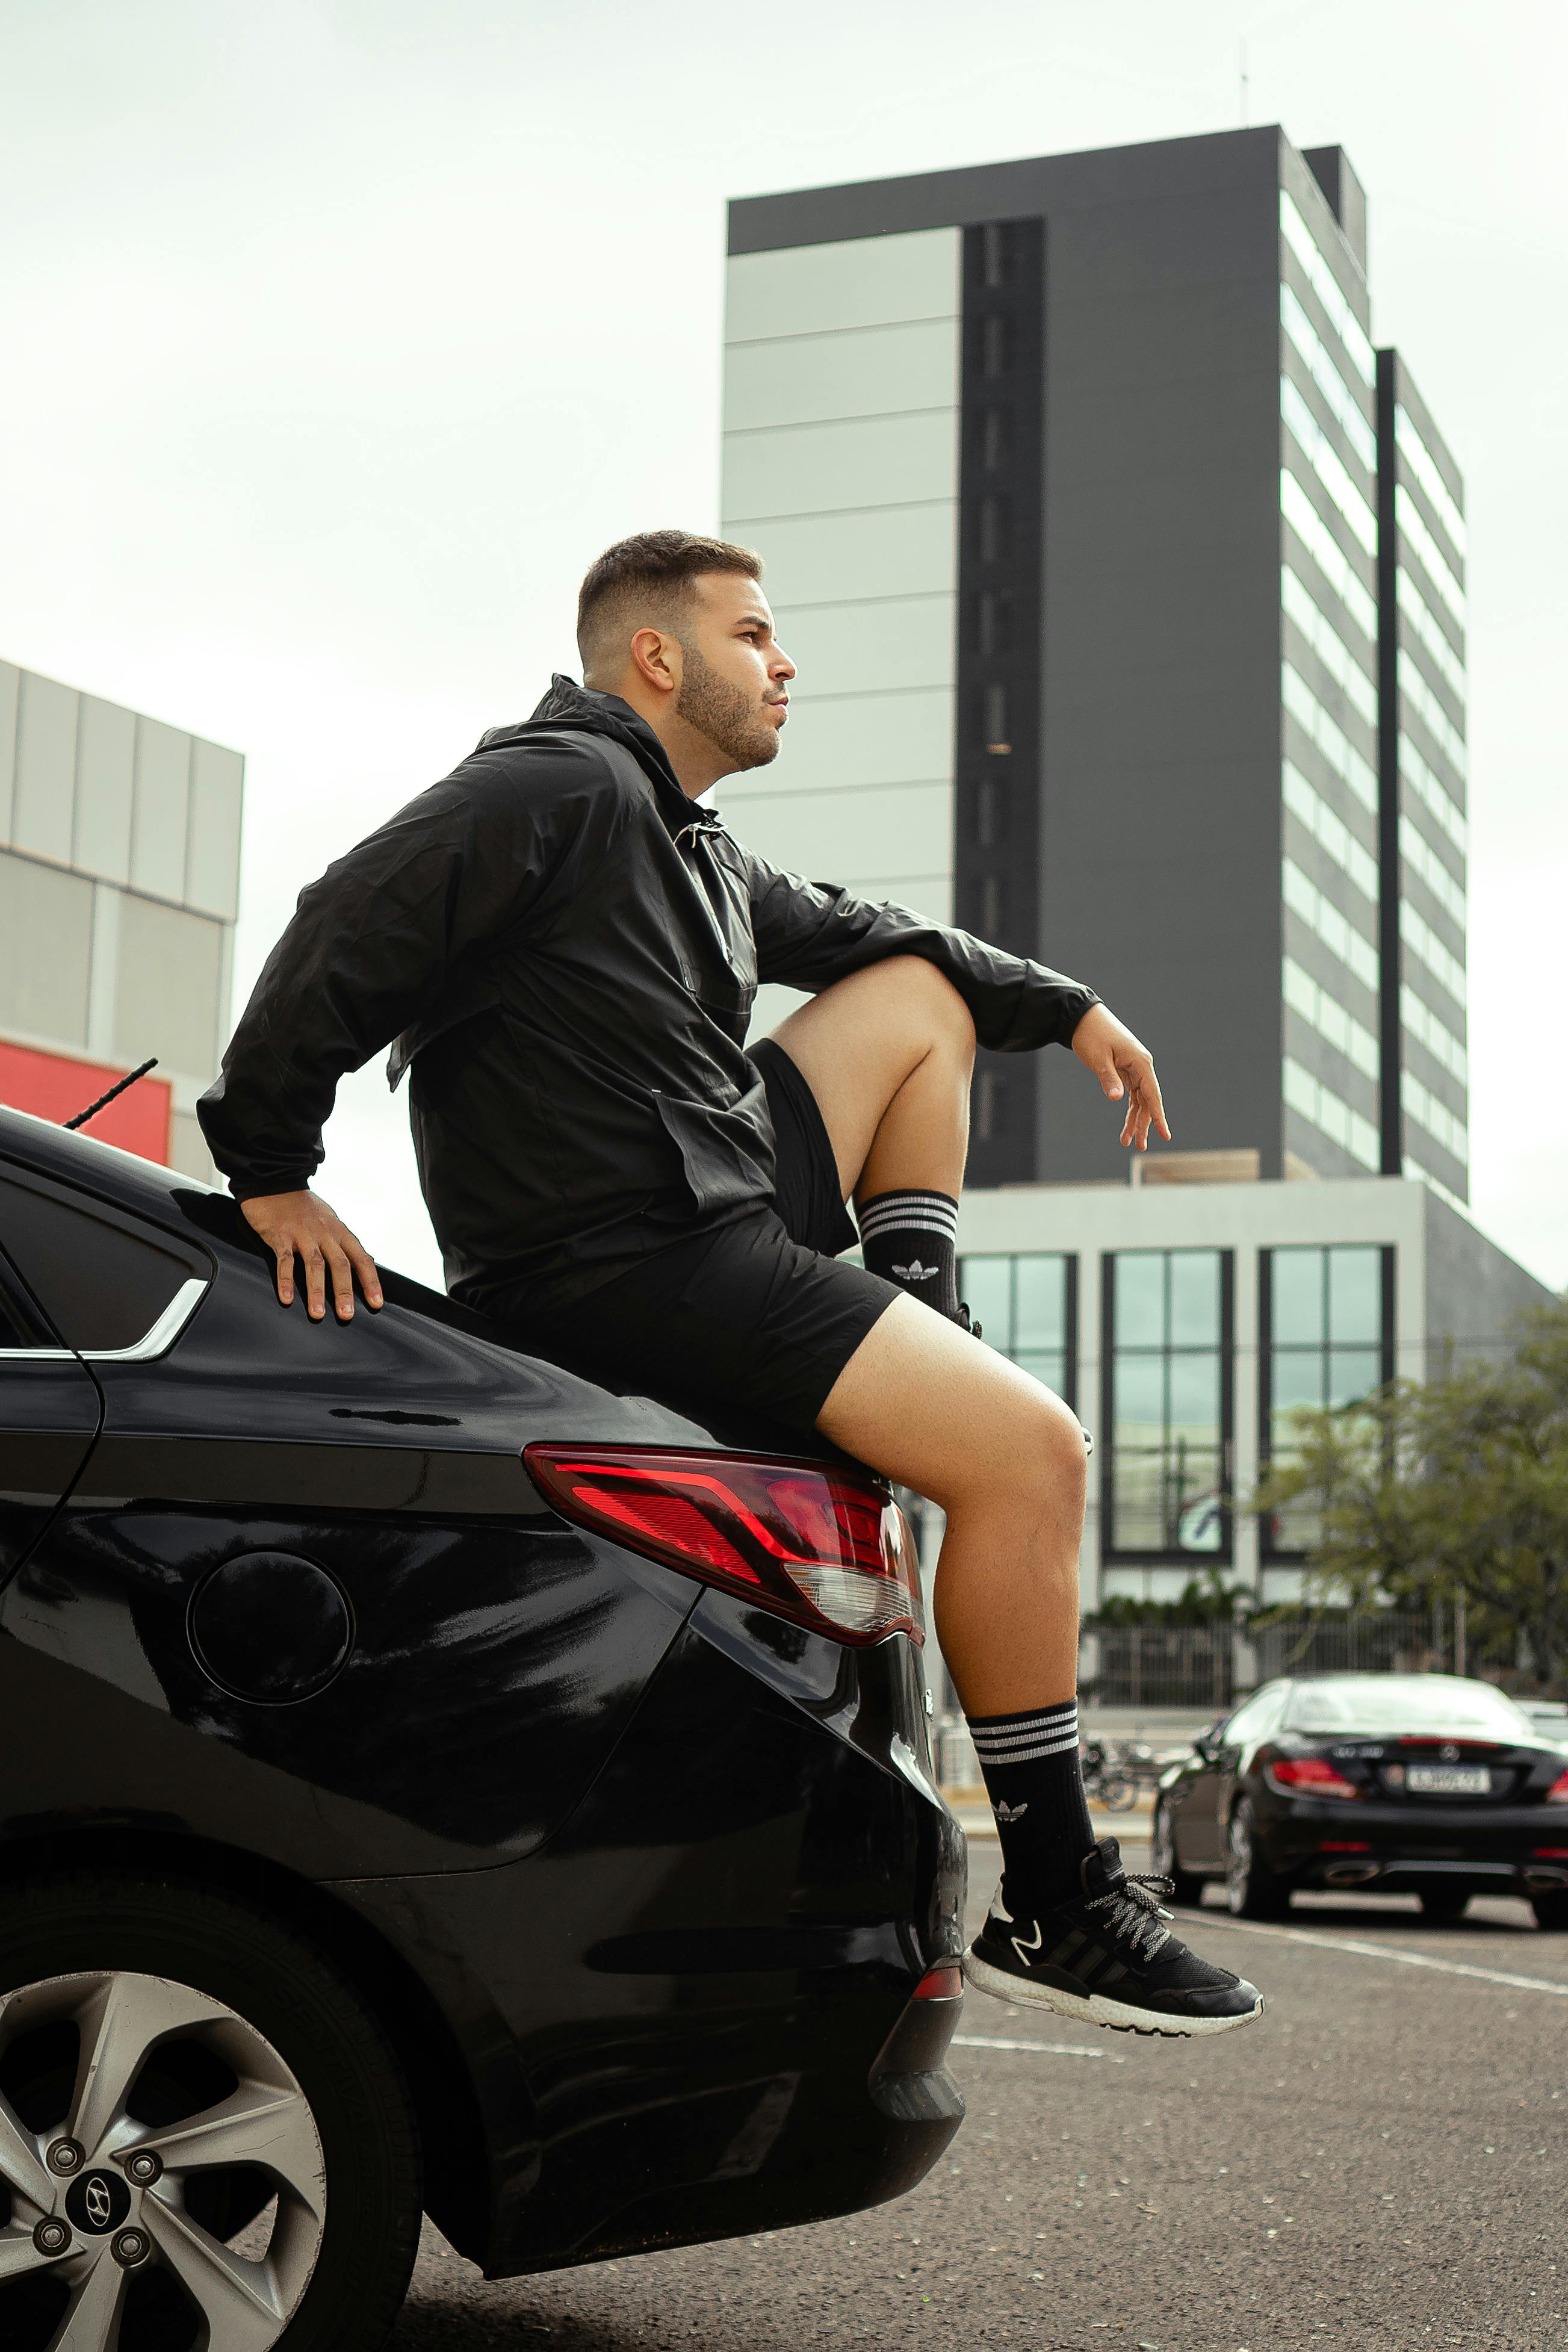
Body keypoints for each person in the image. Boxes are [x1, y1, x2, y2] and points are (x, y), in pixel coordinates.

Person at [200, 529, 1261, 2039]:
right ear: (657, 656)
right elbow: (340, 918)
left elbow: (882, 934)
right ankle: (1062, 1896)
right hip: (617, 1259)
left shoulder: (692, 845)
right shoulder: (549, 787)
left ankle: (916, 1315)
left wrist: (1069, 1004)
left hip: (710, 1208)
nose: (784, 665)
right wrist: (270, 1161)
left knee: (917, 992)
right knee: (1036, 1454)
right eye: (754, 635)